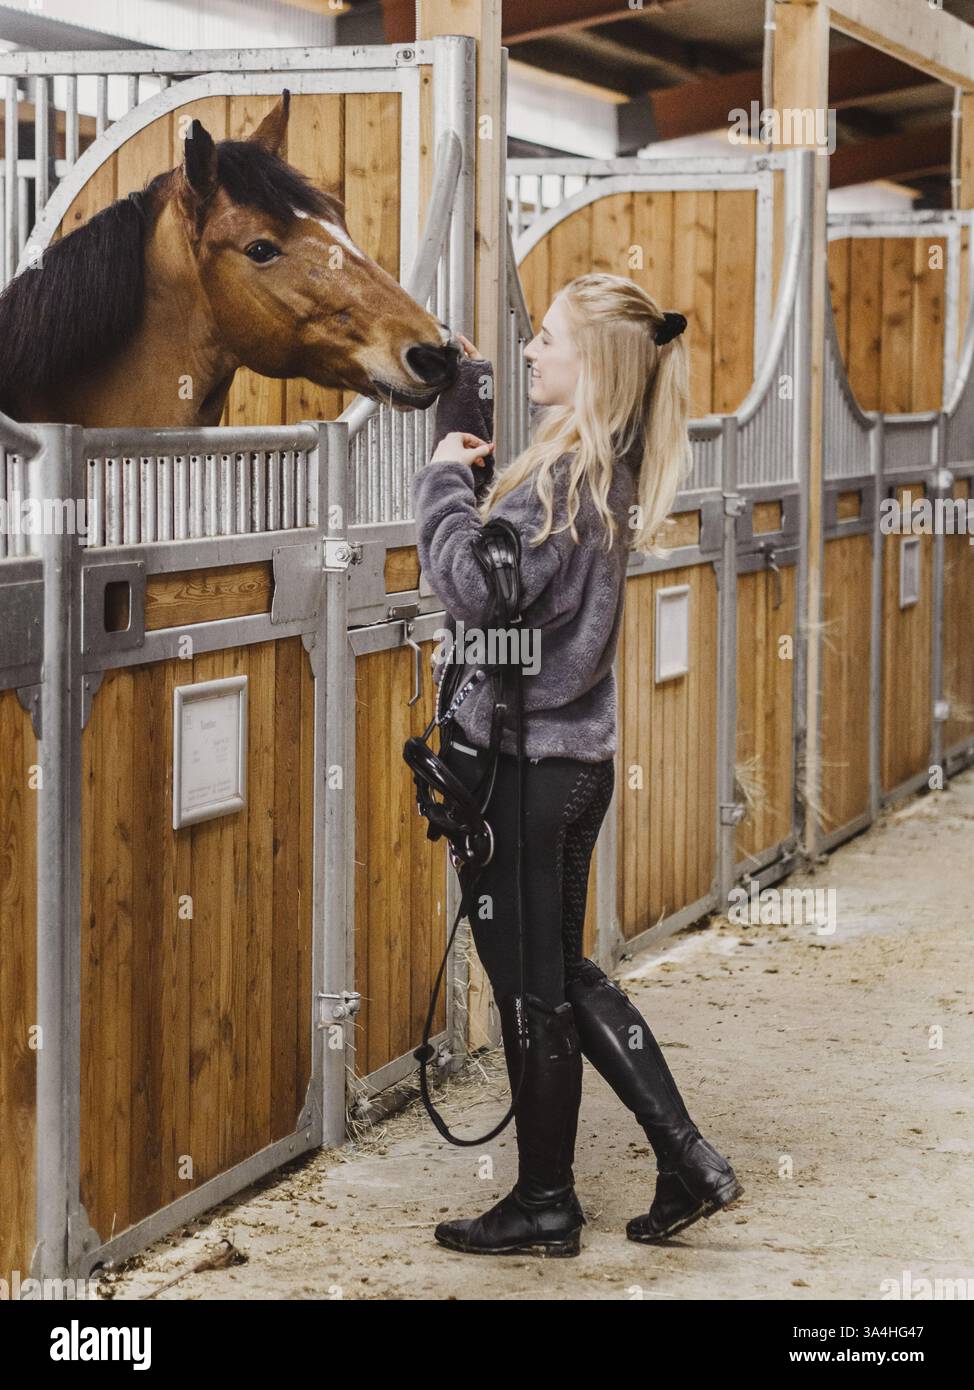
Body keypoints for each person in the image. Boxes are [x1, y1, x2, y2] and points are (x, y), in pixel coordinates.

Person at [410, 272, 743, 1258]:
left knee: (535, 979)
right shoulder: (597, 468)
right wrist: (463, 411)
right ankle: (656, 1165)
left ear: (589, 363)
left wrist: (438, 476)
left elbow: (474, 587)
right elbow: (522, 599)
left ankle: (565, 1194)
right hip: (570, 763)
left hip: (533, 769)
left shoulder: (565, 481)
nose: (530, 351)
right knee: (546, 972)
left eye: (544, 338)